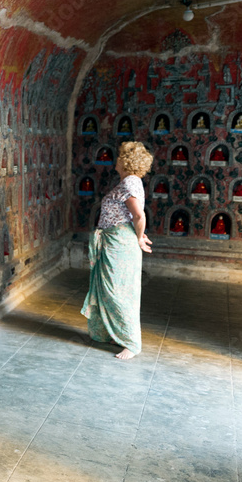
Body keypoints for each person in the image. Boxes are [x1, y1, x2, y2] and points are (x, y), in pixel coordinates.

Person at [82, 141, 153, 360]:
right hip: (115, 241)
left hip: (119, 244)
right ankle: (115, 333)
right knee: (109, 290)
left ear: (125, 161)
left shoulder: (129, 183)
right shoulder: (131, 181)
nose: (116, 160)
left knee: (118, 292)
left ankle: (131, 343)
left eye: (120, 156)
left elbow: (139, 215)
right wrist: (137, 234)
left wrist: (140, 237)